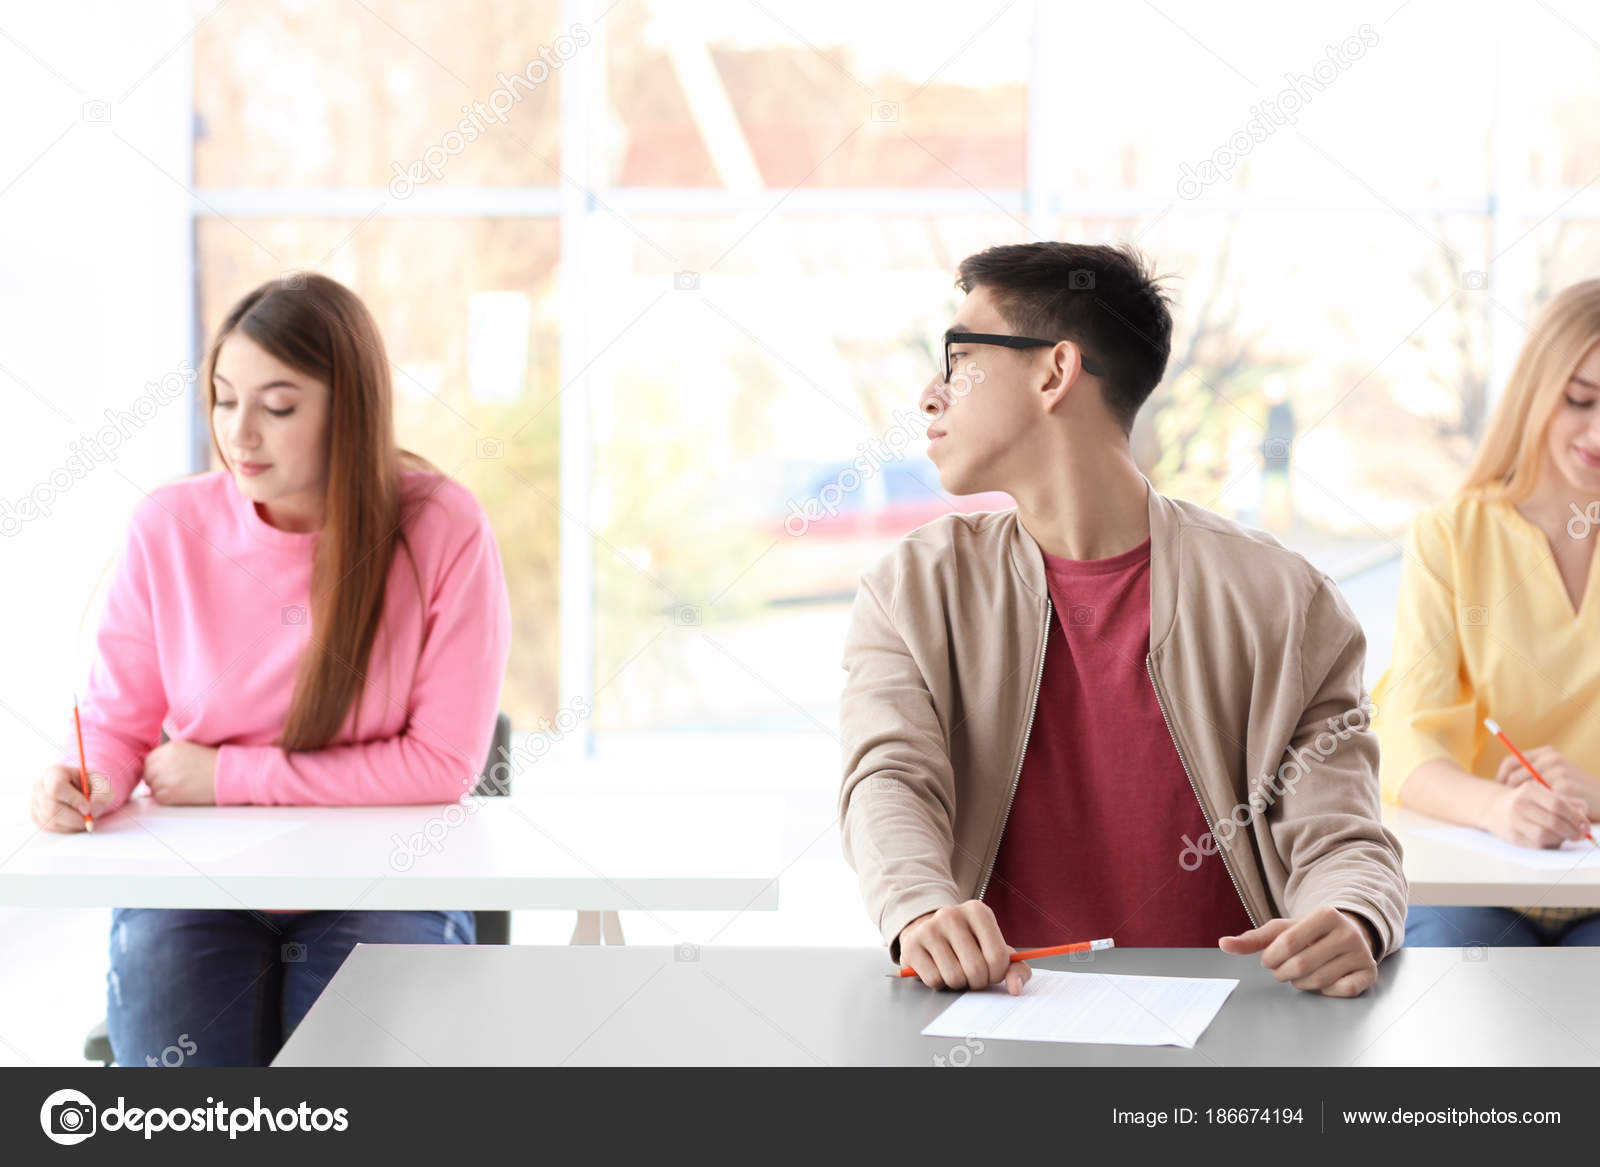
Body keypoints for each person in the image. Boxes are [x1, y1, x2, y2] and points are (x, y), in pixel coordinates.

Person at [838, 241, 1406, 998]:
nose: (929, 395)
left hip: (1234, 1031)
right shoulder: (913, 588)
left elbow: (1341, 835)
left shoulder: (1285, 600)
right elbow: (888, 780)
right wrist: (921, 908)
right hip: (999, 1017)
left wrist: (1350, 915)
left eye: (959, 357)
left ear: (1054, 371)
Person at [29, 273, 512, 1065]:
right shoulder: (168, 527)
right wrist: (93, 780)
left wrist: (226, 775)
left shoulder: (441, 528)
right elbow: (116, 727)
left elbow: (440, 764)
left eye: (278, 406)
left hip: (377, 884)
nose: (240, 434)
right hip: (194, 888)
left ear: (346, 410)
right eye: (224, 399)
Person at [1373, 279, 1600, 947]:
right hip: (1481, 876)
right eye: (1580, 400)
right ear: (1536, 389)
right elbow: (1409, 746)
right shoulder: (1451, 535)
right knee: (1456, 989)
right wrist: (1503, 807)